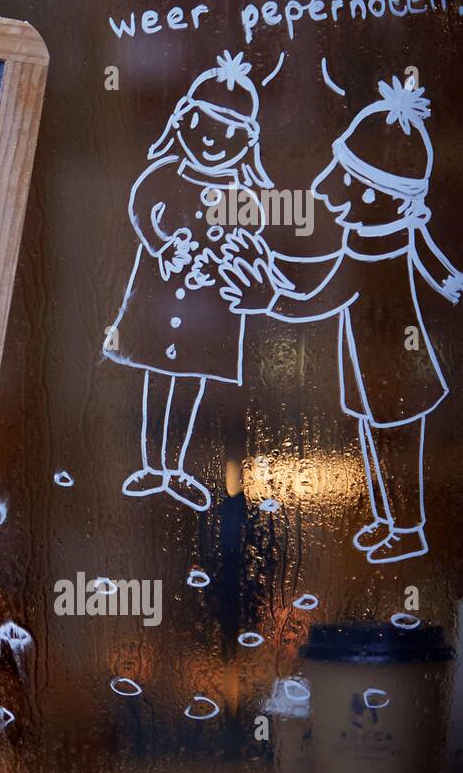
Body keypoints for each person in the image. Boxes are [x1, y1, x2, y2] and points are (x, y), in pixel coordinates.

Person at [220, 77, 462, 564]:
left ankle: (408, 529)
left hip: (395, 367)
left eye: (347, 177)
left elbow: (326, 296)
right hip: (377, 364)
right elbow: (438, 271)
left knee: (395, 449)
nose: (328, 186)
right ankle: (388, 518)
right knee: (378, 444)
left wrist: (271, 300)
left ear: (382, 195)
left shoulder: (375, 246)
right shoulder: (383, 235)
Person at [103, 51, 286, 511]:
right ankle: (151, 466)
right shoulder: (162, 175)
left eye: (228, 134)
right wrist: (164, 247)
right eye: (204, 126)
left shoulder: (242, 195)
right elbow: (144, 212)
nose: (212, 141)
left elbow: (250, 238)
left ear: (246, 143)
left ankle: (175, 469)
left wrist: (232, 259)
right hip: (159, 299)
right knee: (154, 384)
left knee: (189, 385)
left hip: (209, 311)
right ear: (183, 122)